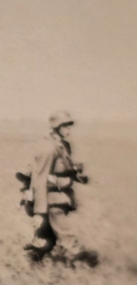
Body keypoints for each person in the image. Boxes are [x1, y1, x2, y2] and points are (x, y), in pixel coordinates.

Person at [22, 111, 97, 266]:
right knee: (66, 235)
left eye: (69, 125)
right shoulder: (48, 148)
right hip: (51, 201)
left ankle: (32, 261)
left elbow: (64, 168)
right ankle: (78, 261)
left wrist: (78, 176)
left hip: (60, 197)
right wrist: (39, 212)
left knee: (46, 239)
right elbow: (39, 179)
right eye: (64, 126)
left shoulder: (63, 145)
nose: (68, 129)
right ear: (56, 127)